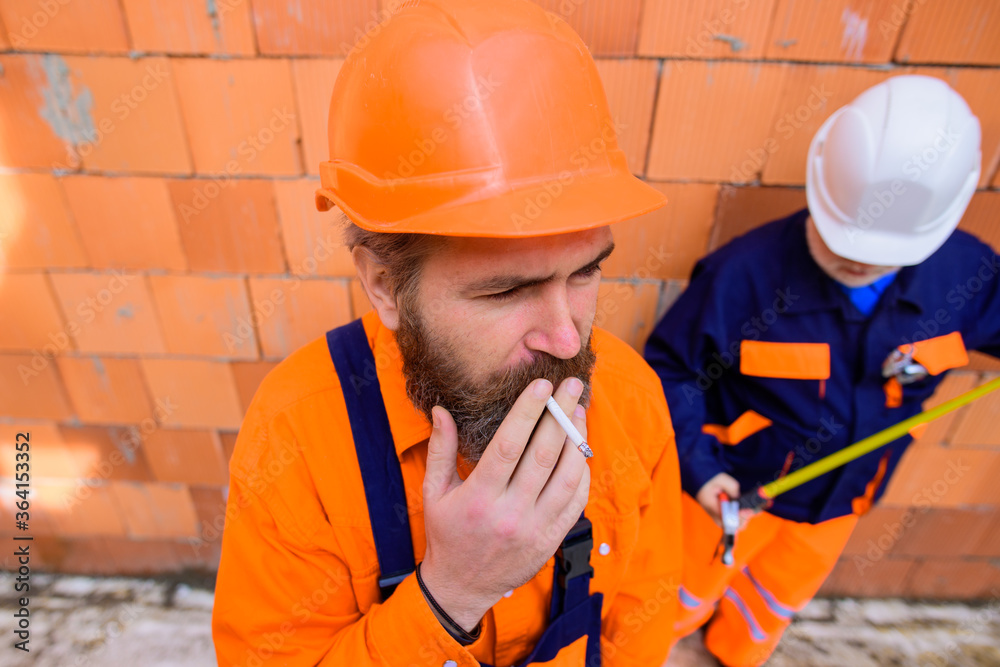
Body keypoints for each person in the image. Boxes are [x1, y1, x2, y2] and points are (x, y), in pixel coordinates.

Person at [212, 1, 683, 665]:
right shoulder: (296, 442)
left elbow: (640, 632)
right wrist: (449, 594)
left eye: (585, 273)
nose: (568, 341)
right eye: (507, 289)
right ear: (384, 284)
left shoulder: (632, 402)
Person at [644, 75, 995, 667]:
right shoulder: (745, 277)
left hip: (839, 505)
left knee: (772, 603)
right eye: (837, 241)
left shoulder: (965, 278)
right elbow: (672, 370)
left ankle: (735, 654)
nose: (853, 256)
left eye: (872, 253)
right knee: (675, 597)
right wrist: (700, 472)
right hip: (732, 496)